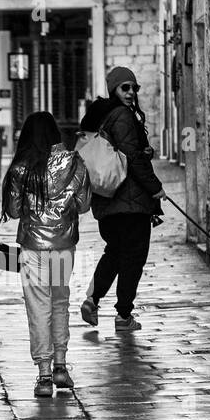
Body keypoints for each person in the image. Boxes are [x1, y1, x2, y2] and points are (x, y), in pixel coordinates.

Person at [3, 111, 91, 397]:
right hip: (64, 244)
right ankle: (61, 366)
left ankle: (43, 374)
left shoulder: (21, 168)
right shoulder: (74, 161)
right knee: (60, 302)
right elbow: (85, 203)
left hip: (32, 247)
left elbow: (15, 211)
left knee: (38, 306)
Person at [78, 66, 164, 332]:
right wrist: (155, 187)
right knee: (133, 258)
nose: (130, 93)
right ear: (113, 88)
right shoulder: (124, 116)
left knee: (115, 252)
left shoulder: (102, 116)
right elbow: (132, 159)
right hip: (130, 204)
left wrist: (142, 150)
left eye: (134, 88)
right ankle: (124, 316)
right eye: (125, 87)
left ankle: (92, 300)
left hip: (107, 204)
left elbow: (122, 151)